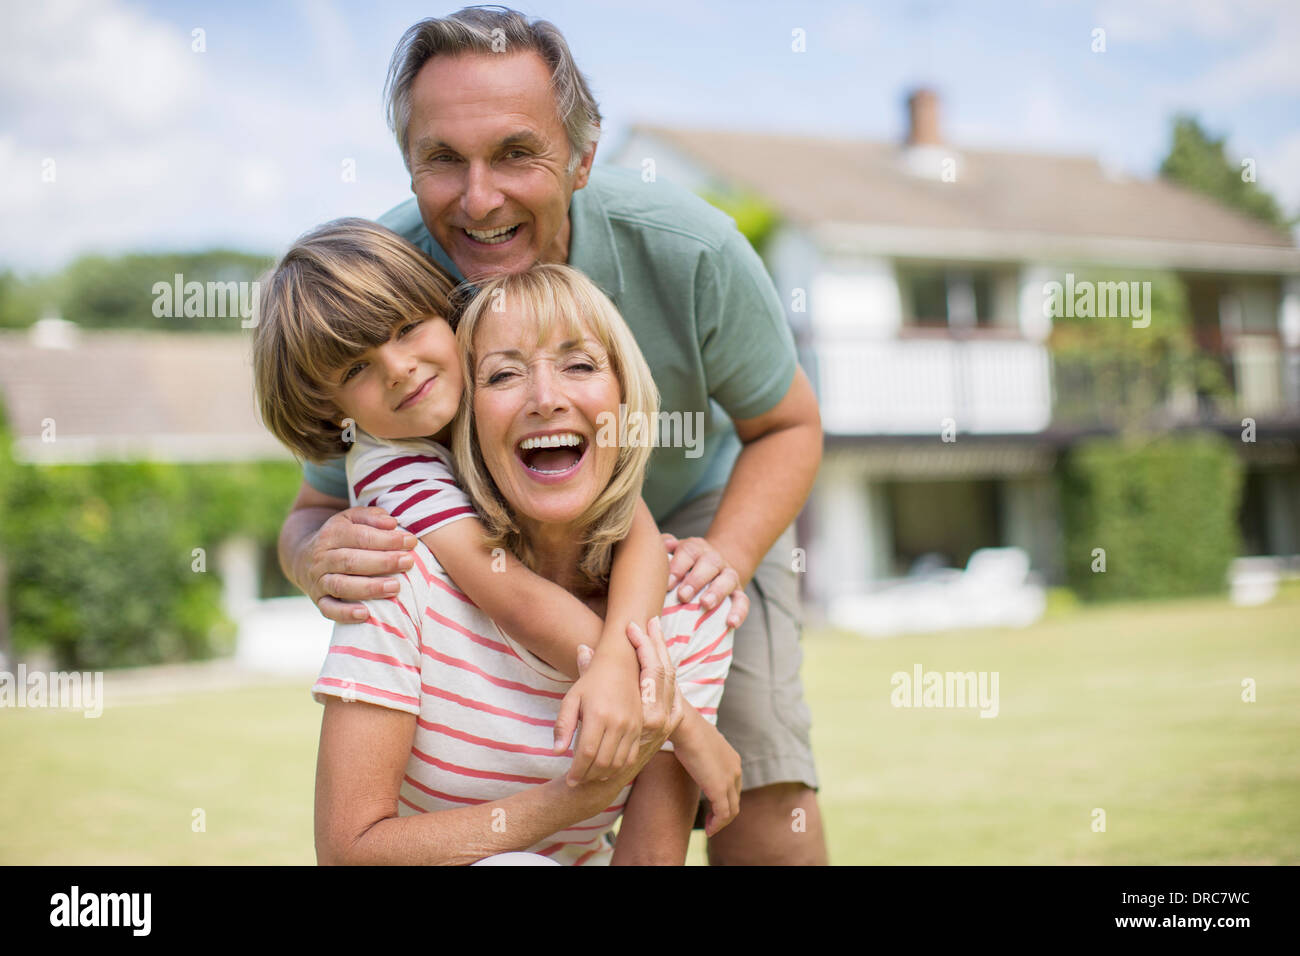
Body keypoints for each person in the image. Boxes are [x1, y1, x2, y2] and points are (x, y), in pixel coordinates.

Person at [278, 6, 827, 864]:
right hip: (493, 535)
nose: (480, 197)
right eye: (443, 161)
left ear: (582, 155)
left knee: (755, 773)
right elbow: (314, 507)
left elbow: (788, 425)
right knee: (499, 766)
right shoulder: (385, 296)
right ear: (410, 167)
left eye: (516, 153)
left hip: (683, 512)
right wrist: (311, 557)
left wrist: (727, 558)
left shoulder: (693, 251)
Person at [253, 222, 744, 860]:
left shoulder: (684, 603)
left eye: (407, 330)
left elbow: (635, 525)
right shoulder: (392, 486)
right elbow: (509, 595)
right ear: (331, 410)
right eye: (357, 367)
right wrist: (675, 719)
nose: (400, 370)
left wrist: (647, 682)